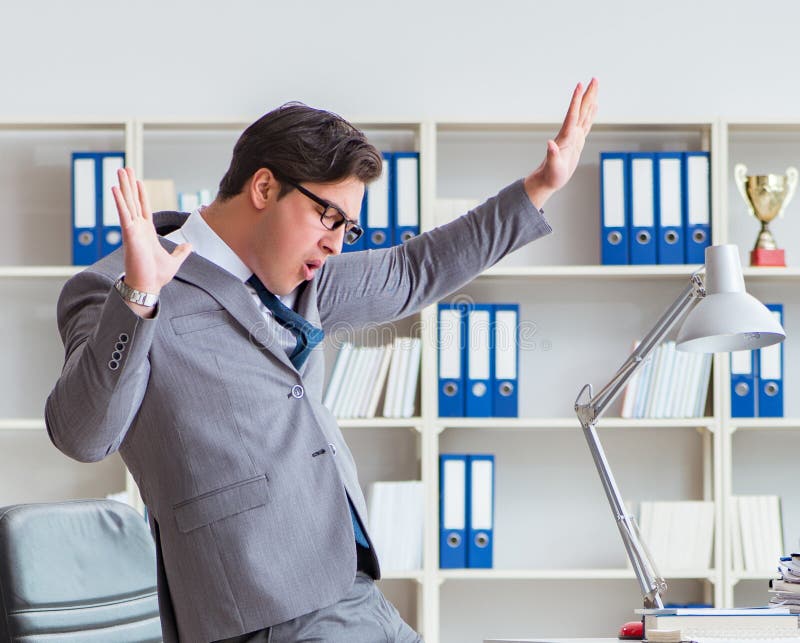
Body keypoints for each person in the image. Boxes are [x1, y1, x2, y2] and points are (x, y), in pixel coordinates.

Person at [45, 79, 598, 643]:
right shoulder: (111, 287)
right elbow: (83, 436)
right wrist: (139, 295)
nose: (338, 244)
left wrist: (539, 187)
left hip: (350, 587)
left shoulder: (304, 281)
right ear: (264, 186)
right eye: (329, 218)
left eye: (348, 227)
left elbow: (415, 270)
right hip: (259, 607)